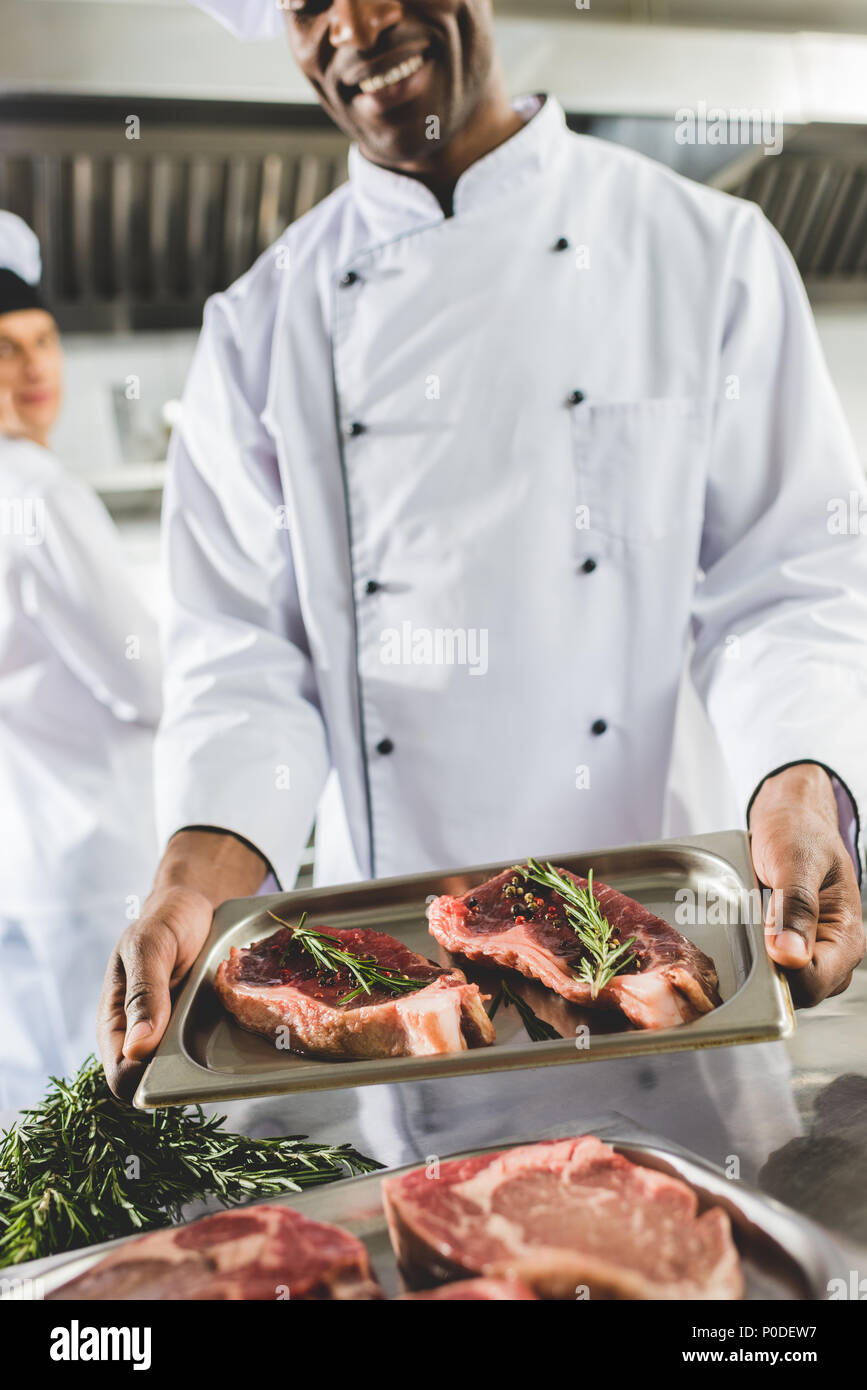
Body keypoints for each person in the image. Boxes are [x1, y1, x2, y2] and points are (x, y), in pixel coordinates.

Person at [98, 0, 866, 1100]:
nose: (357, 23)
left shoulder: (706, 251)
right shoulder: (259, 328)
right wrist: (186, 879)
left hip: (685, 999)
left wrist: (801, 785)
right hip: (405, 1016)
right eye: (309, 0)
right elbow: (245, 671)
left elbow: (788, 583)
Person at [0, 213, 161, 1114]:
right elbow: (145, 684)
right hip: (92, 859)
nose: (34, 369)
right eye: (7, 349)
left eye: (44, 341)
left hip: (19, 861)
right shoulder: (37, 492)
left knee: (29, 1118)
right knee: (108, 1113)